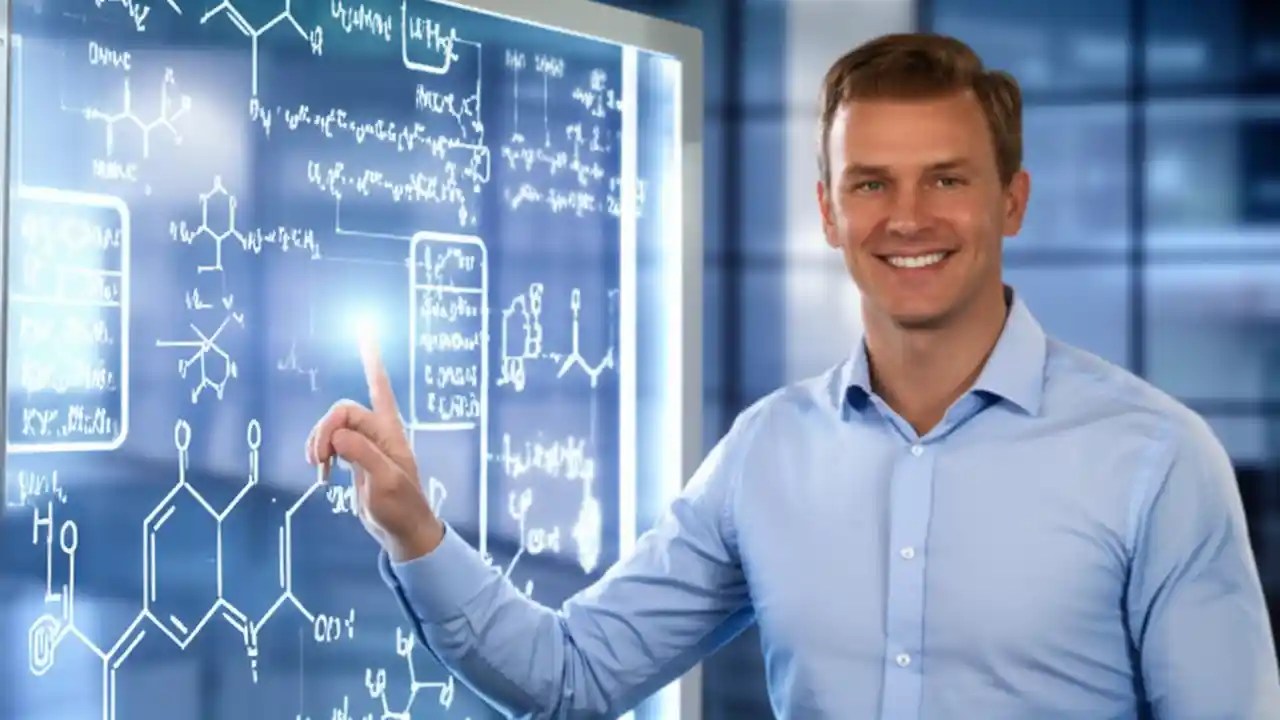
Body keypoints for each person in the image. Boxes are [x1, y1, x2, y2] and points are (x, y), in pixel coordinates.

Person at [306, 32, 1280, 719]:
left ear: (1010, 201)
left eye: (945, 178)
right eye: (870, 183)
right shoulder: (764, 455)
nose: (907, 217)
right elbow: (570, 677)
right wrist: (413, 526)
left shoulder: (1153, 460)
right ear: (826, 210)